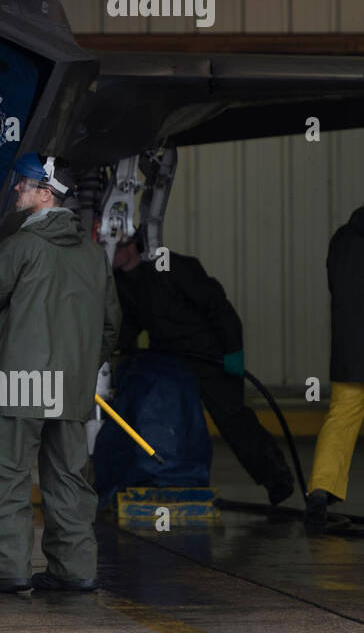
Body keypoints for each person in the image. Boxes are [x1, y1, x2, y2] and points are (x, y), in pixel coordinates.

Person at [0, 153, 120, 594]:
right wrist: (80, 367)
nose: (17, 190)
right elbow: (111, 325)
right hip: (72, 388)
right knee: (69, 479)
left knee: (8, 473)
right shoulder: (94, 255)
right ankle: (74, 570)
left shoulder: (22, 246)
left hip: (21, 385)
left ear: (46, 193)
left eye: (24, 184)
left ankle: (11, 570)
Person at [112, 237, 293, 506]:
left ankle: (277, 479)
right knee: (166, 416)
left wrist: (233, 350)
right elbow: (130, 324)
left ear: (129, 245)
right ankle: (168, 479)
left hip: (208, 356)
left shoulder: (172, 266)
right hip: (169, 360)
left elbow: (217, 307)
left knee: (232, 418)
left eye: (114, 246)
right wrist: (114, 352)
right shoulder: (123, 283)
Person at [305, 206, 364, 529]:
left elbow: (335, 286)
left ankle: (319, 493)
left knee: (341, 418)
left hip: (349, 350)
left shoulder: (342, 239)